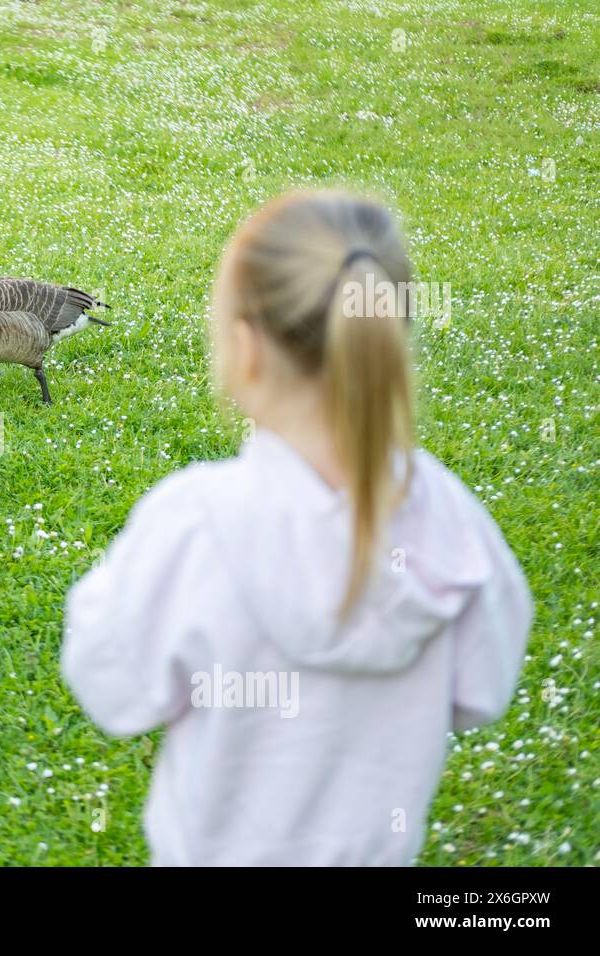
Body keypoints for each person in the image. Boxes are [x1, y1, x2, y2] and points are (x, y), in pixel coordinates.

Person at [61, 190, 532, 866]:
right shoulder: (451, 519)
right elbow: (482, 691)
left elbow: (115, 690)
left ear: (246, 348)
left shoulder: (195, 525)